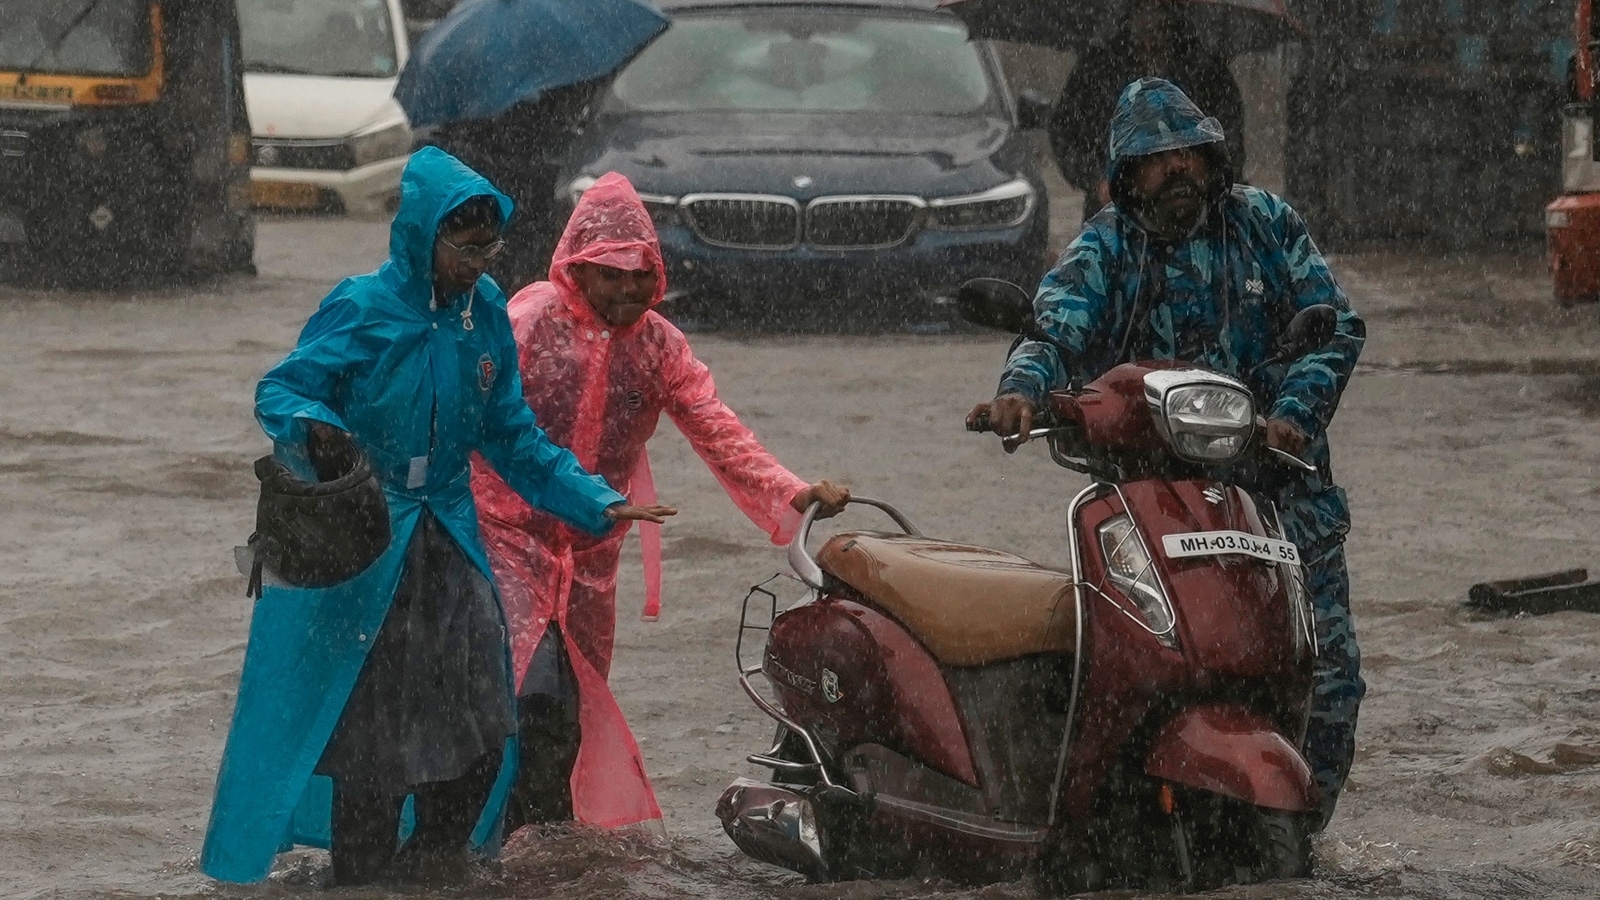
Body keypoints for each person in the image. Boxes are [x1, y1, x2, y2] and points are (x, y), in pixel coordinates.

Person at [199, 147, 670, 887]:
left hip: (450, 537)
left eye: (490, 249)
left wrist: (597, 500)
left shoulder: (484, 314)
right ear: (423, 235)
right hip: (367, 543)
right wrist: (321, 428)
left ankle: (438, 864)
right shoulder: (361, 308)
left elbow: (512, 436)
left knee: (483, 719)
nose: (479, 264)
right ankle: (362, 877)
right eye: (466, 248)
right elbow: (282, 390)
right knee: (368, 733)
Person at [972, 78, 1364, 832]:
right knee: (1137, 665)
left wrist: (1292, 415)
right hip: (1157, 507)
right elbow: (1053, 329)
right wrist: (1020, 391)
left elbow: (1335, 325)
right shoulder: (1106, 245)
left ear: (1213, 159)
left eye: (1189, 154)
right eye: (1157, 160)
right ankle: (1108, 828)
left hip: (1283, 495)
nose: (1177, 169)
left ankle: (1302, 840)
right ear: (1127, 176)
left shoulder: (1265, 222)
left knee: (1330, 681)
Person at [469, 171, 850, 832]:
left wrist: (793, 491)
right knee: (526, 691)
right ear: (577, 269)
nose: (627, 289)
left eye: (640, 274)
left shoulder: (659, 347)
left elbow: (717, 429)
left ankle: (542, 843)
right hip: (506, 532)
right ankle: (495, 833)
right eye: (610, 274)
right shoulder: (529, 322)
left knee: (577, 703)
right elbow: (472, 411)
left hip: (593, 551)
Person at [1047, 0, 1245, 224]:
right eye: (1144, 10)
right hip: (1113, 212)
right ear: (1129, 13)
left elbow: (1229, 142)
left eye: (1161, 10)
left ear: (1176, 14)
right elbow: (1064, 131)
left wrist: (1205, 183)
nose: (1151, 21)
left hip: (1194, 215)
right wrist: (1096, 178)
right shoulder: (1098, 69)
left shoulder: (1207, 72)